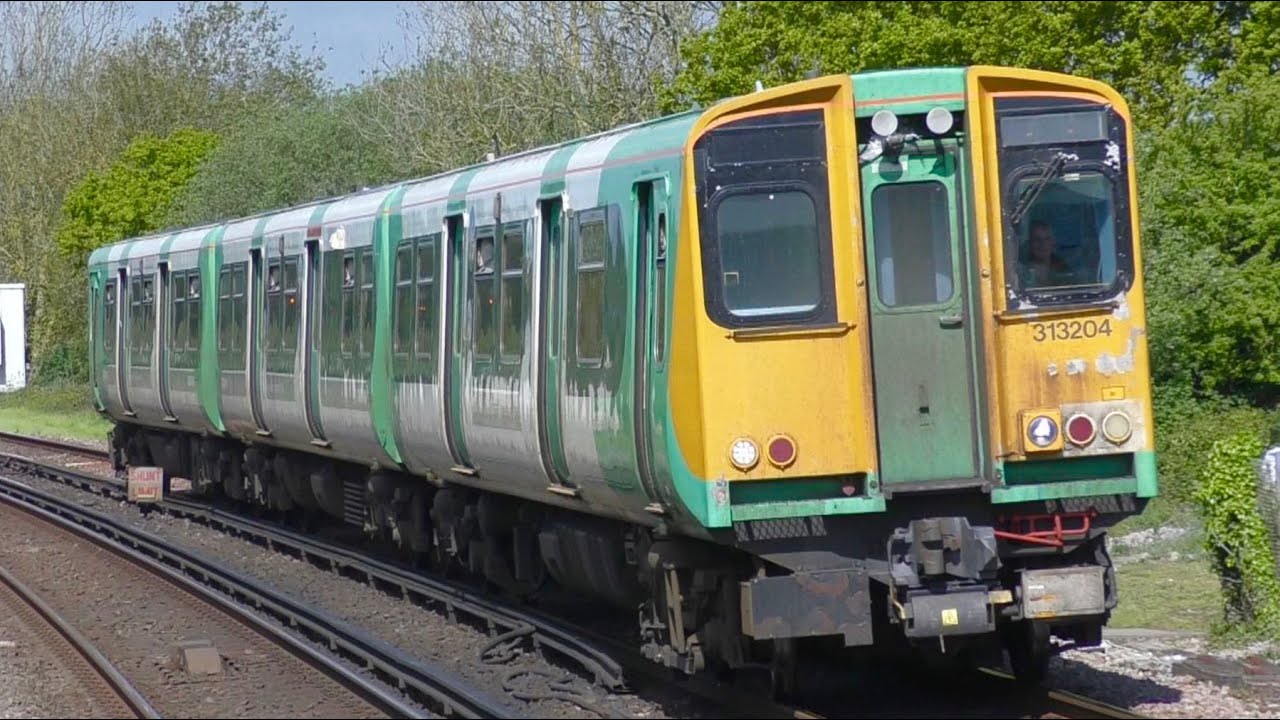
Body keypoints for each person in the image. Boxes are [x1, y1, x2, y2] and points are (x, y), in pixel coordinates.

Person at [1020, 220, 1074, 288]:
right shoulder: (1021, 271)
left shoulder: (1063, 269)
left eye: (1047, 239)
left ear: (1053, 242)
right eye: (1037, 239)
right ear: (1029, 243)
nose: (1043, 244)